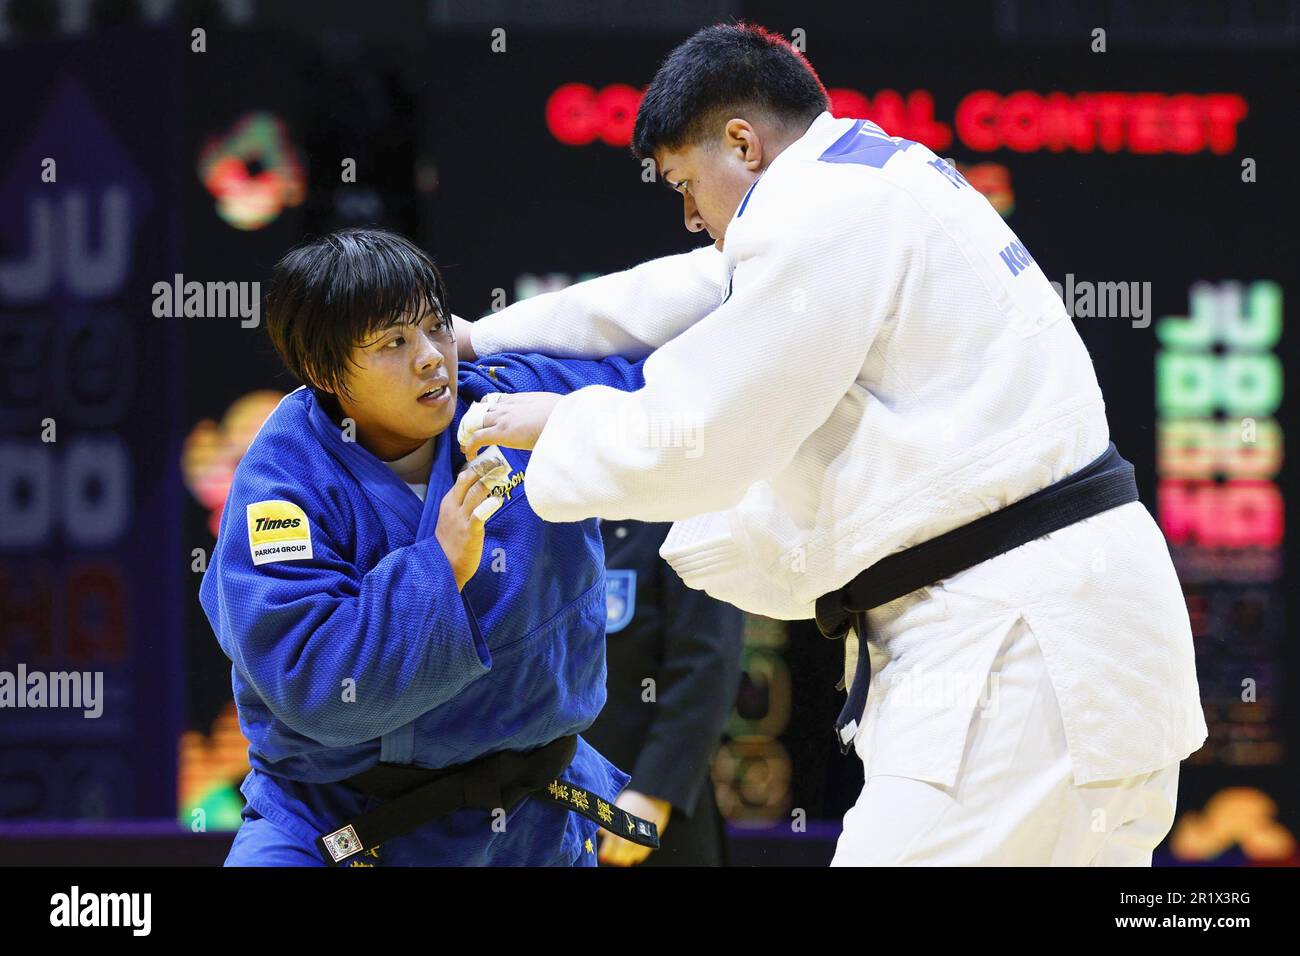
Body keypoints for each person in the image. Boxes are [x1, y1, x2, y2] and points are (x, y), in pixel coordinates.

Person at [451, 23, 1208, 865]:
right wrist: (483, 341)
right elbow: (683, 293)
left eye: (683, 183)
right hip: (1061, 636)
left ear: (741, 142)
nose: (692, 214)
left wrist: (554, 422)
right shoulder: (869, 180)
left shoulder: (829, 213)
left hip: (1018, 650)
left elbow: (703, 437)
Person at [200, 227, 659, 866]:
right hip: (338, 824)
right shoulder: (284, 486)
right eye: (393, 341)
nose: (430, 358)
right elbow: (317, 681)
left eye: (436, 326)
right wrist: (439, 569)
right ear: (323, 370)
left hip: (527, 829)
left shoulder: (516, 400)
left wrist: (568, 422)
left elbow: (689, 380)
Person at [585, 519, 744, 866]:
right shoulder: (550, 520)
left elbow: (706, 665)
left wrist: (655, 789)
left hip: (643, 804)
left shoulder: (687, 521)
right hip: (552, 804)